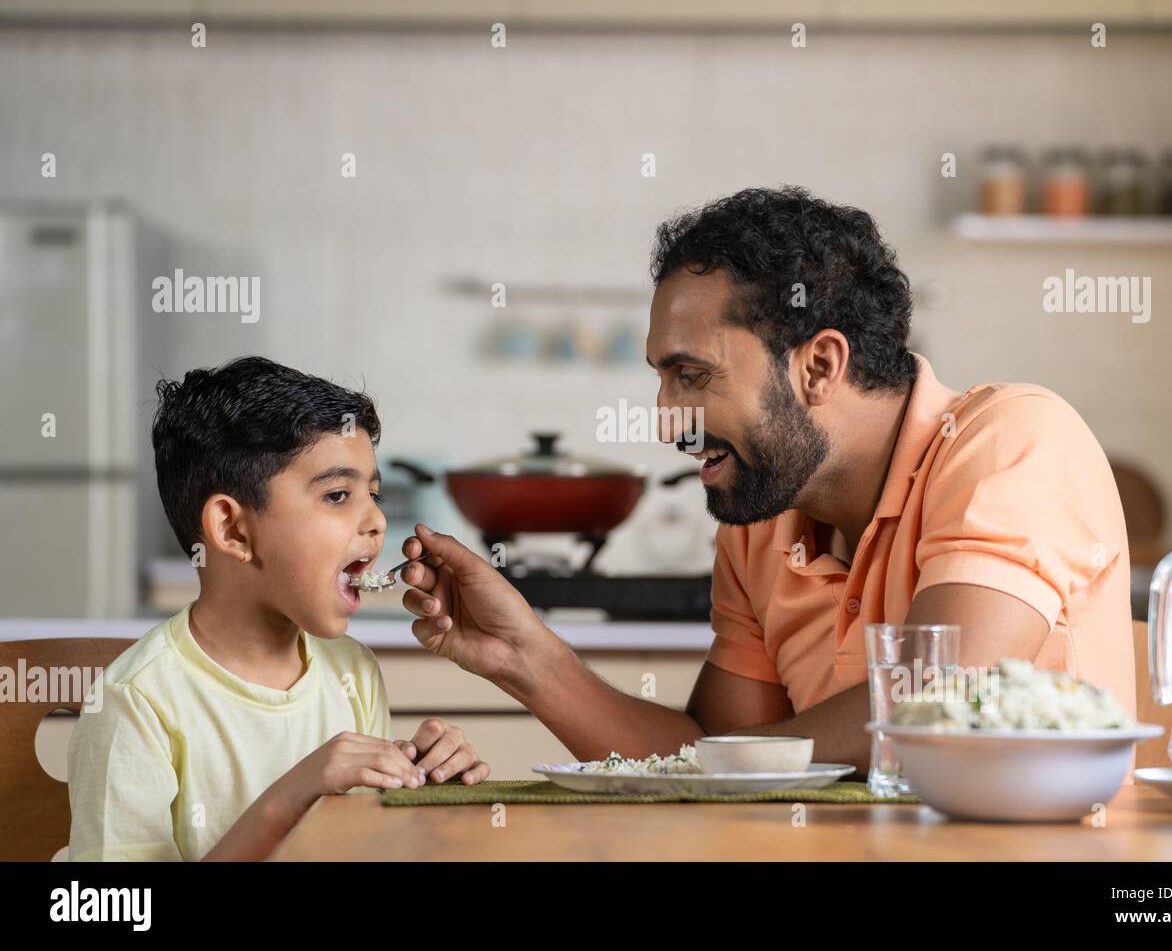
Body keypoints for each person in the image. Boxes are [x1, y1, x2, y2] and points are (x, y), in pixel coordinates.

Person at [397, 187, 1134, 775]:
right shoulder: (761, 523)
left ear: (819, 365)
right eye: (661, 379)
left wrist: (724, 767)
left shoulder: (1012, 439)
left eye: (692, 376)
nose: (666, 423)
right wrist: (526, 655)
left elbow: (935, 699)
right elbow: (710, 758)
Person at [68, 356, 489, 861]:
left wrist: (422, 783)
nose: (376, 520)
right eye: (338, 495)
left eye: (372, 494)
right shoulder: (137, 703)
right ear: (233, 530)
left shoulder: (352, 671)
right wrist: (293, 794)